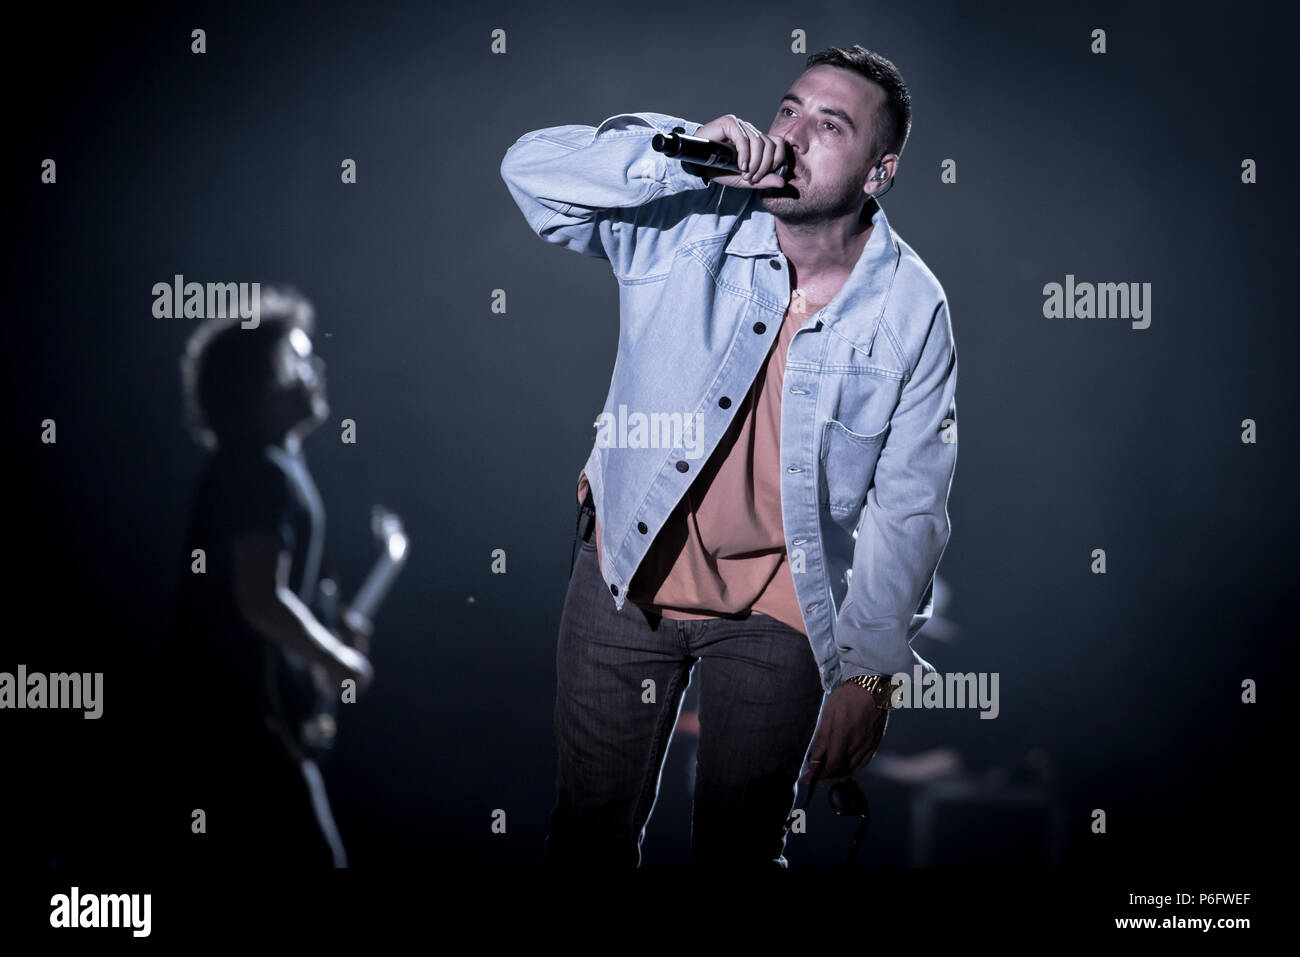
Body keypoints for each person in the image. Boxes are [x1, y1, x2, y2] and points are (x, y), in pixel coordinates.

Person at [502, 44, 959, 868]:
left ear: (878, 172)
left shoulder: (911, 308)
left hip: (779, 612)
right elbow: (531, 173)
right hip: (624, 575)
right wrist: (673, 153)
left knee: (739, 856)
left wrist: (873, 676)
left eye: (829, 126)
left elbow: (911, 504)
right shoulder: (691, 216)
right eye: (789, 110)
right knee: (585, 839)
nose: (792, 134)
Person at [168, 287, 373, 867]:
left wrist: (329, 626)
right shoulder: (260, 472)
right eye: (301, 358)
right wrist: (338, 657)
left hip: (228, 726)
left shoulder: (262, 469)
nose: (318, 368)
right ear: (262, 384)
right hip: (235, 730)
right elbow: (260, 600)